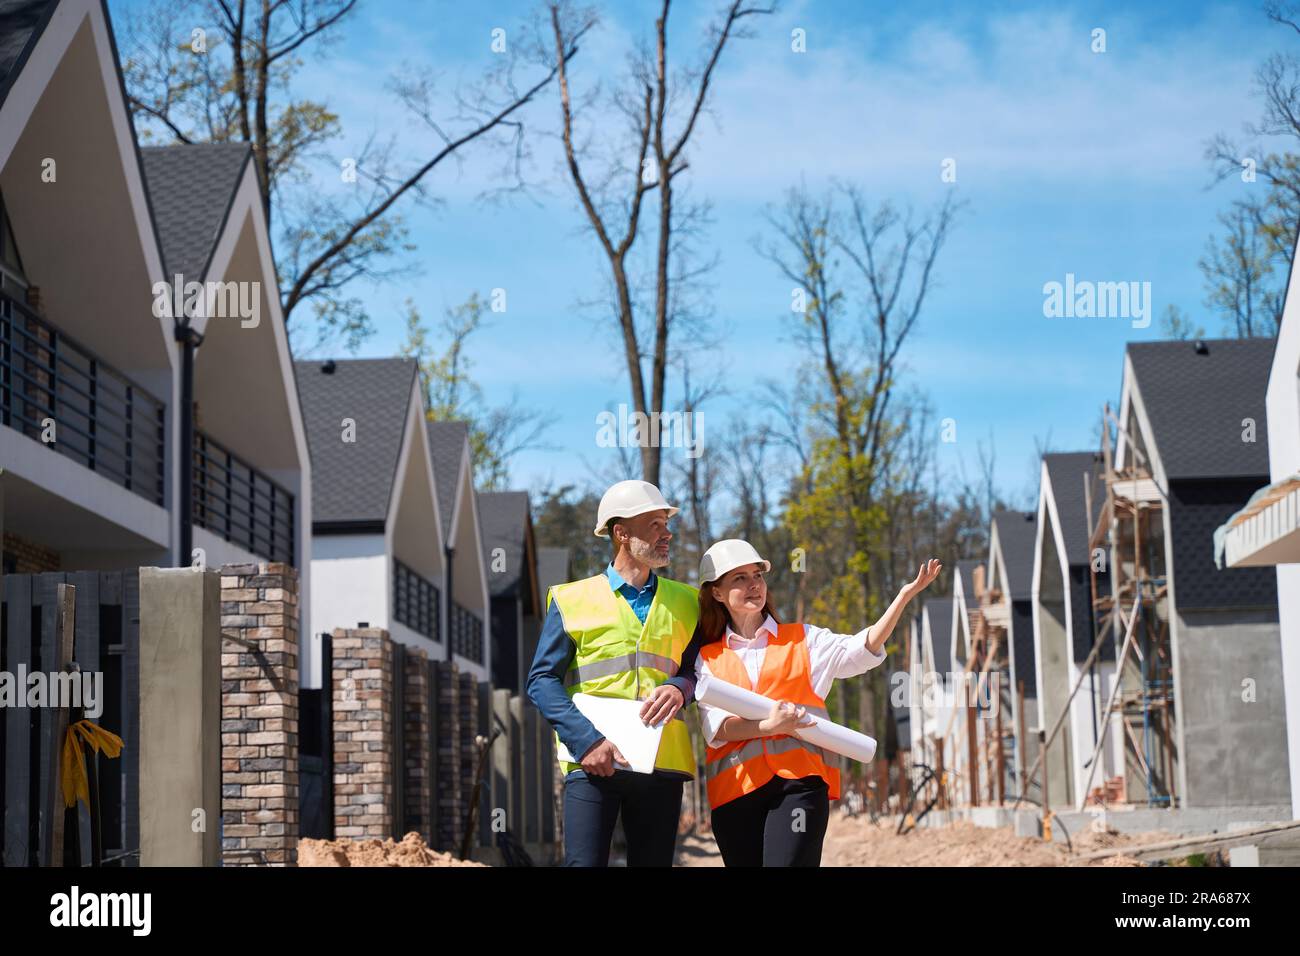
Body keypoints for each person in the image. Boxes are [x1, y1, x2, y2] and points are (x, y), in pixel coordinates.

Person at [692, 539, 941, 867]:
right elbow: (719, 728)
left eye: (757, 575)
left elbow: (860, 650)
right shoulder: (708, 658)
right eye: (739, 578)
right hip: (735, 794)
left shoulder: (804, 639)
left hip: (798, 786)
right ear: (717, 593)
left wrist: (902, 598)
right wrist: (769, 726)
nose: (753, 584)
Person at [526, 480, 700, 867]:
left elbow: (699, 669)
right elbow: (541, 681)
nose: (666, 533)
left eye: (665, 523)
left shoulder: (689, 602)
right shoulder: (572, 600)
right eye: (654, 524)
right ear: (621, 533)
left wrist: (680, 687)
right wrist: (586, 743)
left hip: (662, 762)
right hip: (593, 760)